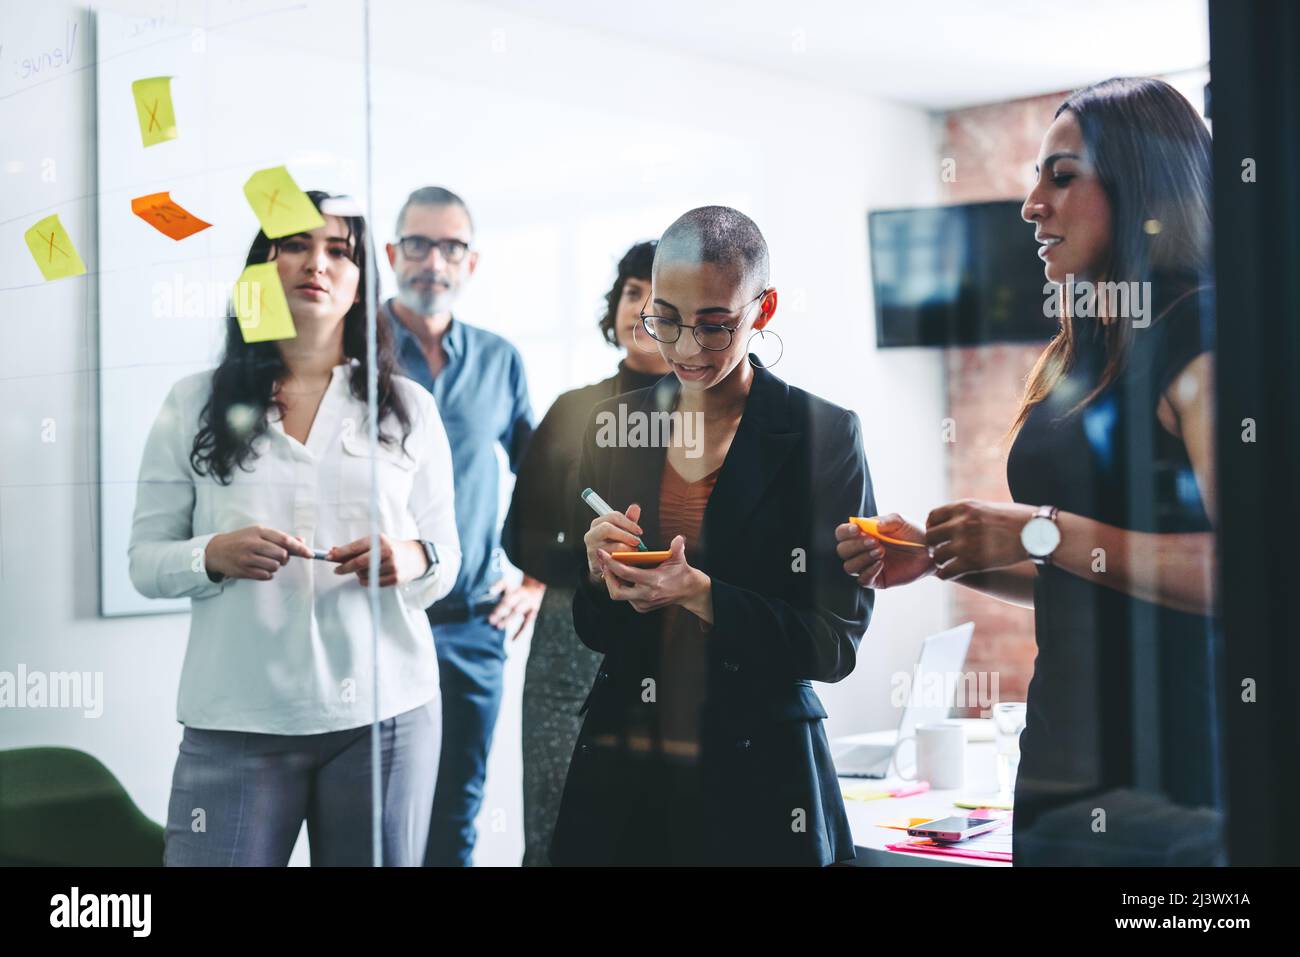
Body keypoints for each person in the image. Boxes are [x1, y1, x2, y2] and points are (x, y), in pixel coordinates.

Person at [837, 77, 1221, 865]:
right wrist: (952, 555)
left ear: (1145, 183)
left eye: (1062, 175)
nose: (1031, 203)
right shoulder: (1081, 356)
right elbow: (1091, 577)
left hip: (1176, 799)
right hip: (1057, 787)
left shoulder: (1201, 333)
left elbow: (1253, 570)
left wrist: (1041, 531)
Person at [130, 191, 461, 866]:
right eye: (295, 245)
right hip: (238, 719)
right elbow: (144, 560)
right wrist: (212, 555)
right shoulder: (192, 402)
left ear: (363, 280)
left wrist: (412, 556)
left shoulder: (409, 408)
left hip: (386, 717)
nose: (318, 262)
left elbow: (447, 556)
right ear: (263, 267)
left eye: (340, 251)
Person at [550, 206, 876, 866]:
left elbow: (833, 642)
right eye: (665, 319)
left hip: (759, 776)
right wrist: (596, 573)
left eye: (715, 326)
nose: (688, 349)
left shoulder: (822, 435)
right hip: (625, 771)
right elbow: (594, 628)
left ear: (765, 307)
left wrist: (700, 592)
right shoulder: (613, 424)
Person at [382, 186, 543, 866]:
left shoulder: (501, 360)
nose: (434, 261)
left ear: (470, 262)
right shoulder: (351, 351)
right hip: (376, 620)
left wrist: (537, 577)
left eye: (451, 247)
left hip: (474, 626)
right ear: (392, 254)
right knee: (379, 820)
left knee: (455, 819)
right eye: (418, 243)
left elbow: (545, 479)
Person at [502, 240, 671, 866]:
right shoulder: (574, 409)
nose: (644, 308)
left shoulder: (716, 415)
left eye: (661, 296)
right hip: (569, 631)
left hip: (678, 629)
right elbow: (519, 534)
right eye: (632, 291)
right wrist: (591, 559)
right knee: (554, 821)